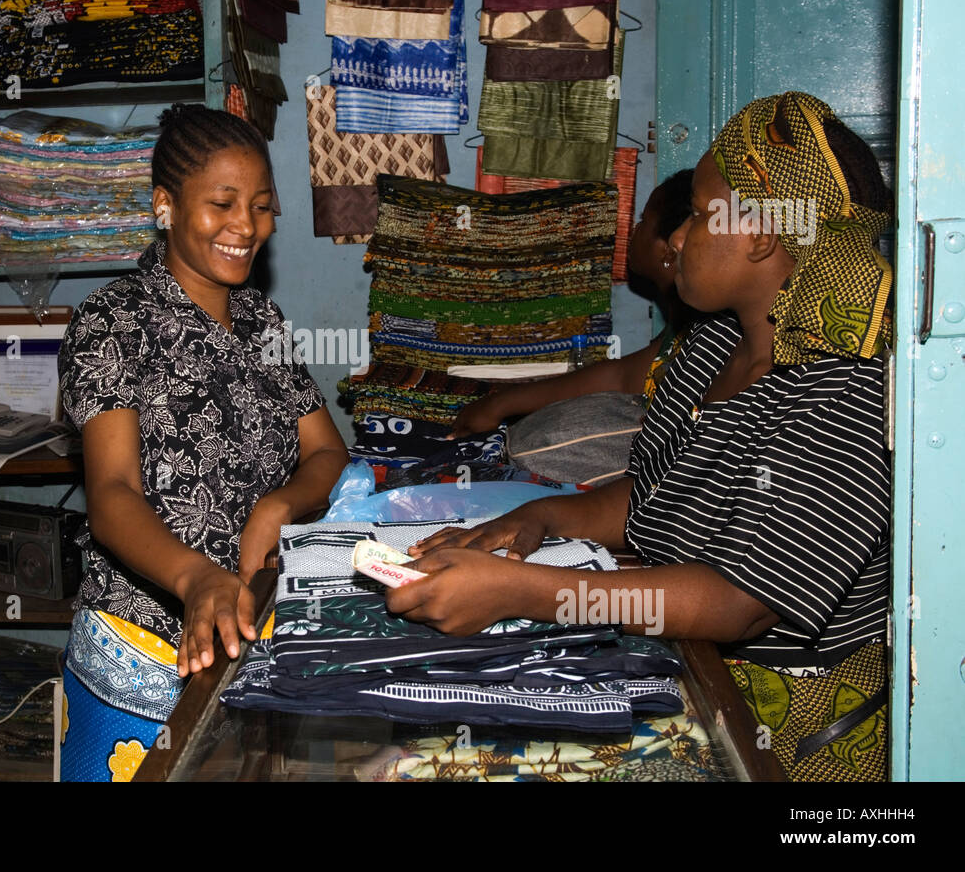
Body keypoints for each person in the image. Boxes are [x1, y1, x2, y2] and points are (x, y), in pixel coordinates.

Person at [389, 91, 892, 781]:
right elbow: (656, 495)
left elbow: (737, 603)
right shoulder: (710, 351)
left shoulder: (846, 395)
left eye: (701, 213)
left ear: (760, 234)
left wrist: (523, 591)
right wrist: (539, 515)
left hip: (780, 735)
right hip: (689, 671)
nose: (679, 237)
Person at [56, 104, 349, 781]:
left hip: (253, 636)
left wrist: (280, 504)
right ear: (165, 205)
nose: (246, 226)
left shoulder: (260, 319)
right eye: (222, 203)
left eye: (261, 206)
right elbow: (112, 493)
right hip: (142, 651)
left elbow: (330, 454)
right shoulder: (112, 321)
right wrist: (195, 579)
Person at [449, 170, 696, 486]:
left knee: (536, 449)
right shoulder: (682, 329)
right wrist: (499, 403)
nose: (634, 229)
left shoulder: (710, 331)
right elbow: (622, 375)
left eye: (644, 221)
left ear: (668, 250)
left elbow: (622, 380)